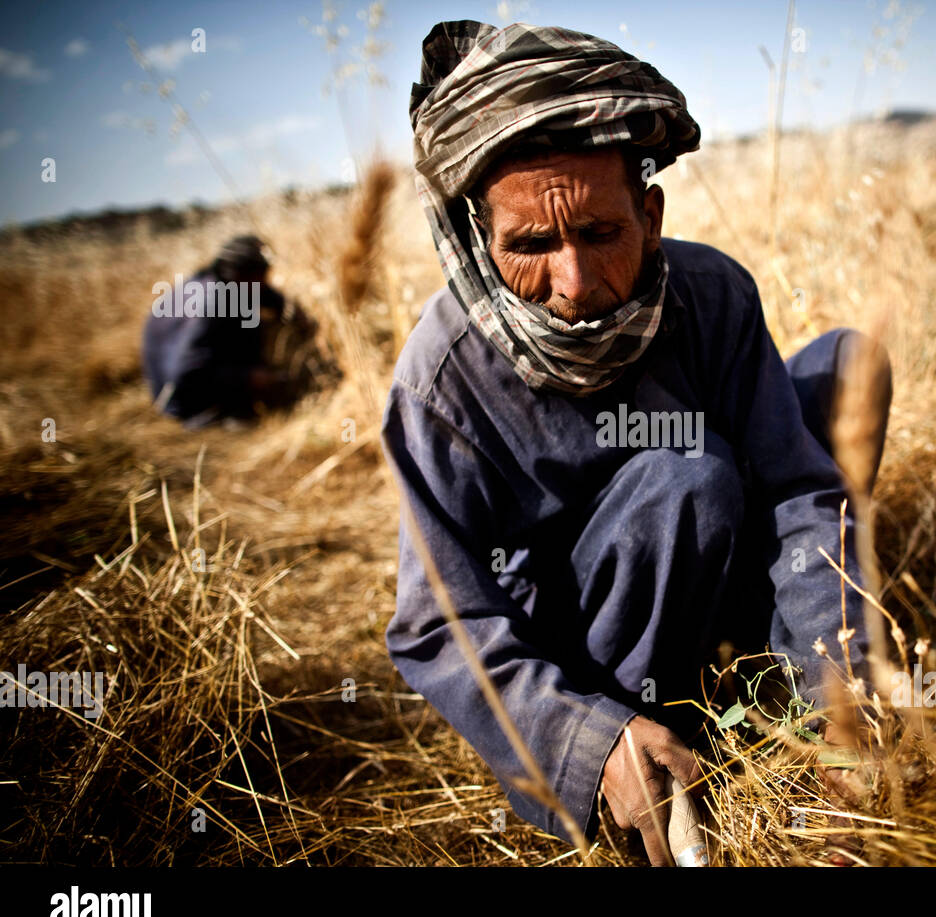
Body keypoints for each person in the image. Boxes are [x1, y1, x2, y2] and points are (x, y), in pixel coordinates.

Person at [384, 19, 892, 864]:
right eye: (532, 245)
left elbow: (800, 494)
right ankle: (655, 754)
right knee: (685, 481)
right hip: (585, 644)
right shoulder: (441, 381)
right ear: (480, 242)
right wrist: (587, 740)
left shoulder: (712, 296)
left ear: (649, 214)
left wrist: (838, 701)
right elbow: (440, 620)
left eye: (600, 233)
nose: (573, 285)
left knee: (846, 367)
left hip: (708, 554)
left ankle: (766, 684)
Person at [141, 235, 318, 429]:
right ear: (243, 275)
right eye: (261, 277)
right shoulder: (212, 307)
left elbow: (262, 293)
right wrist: (250, 378)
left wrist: (294, 313)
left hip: (166, 378)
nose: (264, 284)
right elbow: (186, 374)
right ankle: (222, 413)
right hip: (179, 400)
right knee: (249, 322)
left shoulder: (217, 282)